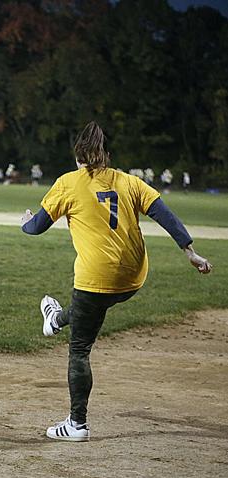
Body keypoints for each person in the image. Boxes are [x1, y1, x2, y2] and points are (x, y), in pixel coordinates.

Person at [21, 121, 212, 442]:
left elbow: (37, 227)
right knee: (88, 310)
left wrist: (25, 222)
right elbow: (165, 215)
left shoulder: (68, 183)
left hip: (96, 278)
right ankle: (55, 319)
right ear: (105, 156)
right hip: (134, 278)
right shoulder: (129, 181)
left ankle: (77, 425)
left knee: (79, 349)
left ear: (78, 158)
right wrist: (190, 252)